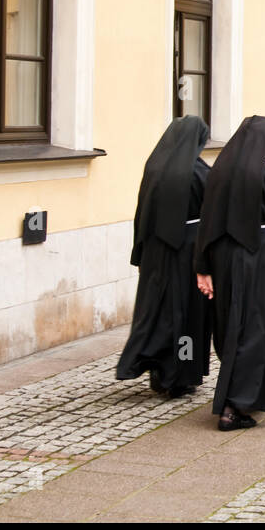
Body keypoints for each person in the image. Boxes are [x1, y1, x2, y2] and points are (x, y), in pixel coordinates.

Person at [194, 115, 265, 431]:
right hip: (260, 255)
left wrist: (202, 268)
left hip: (223, 257)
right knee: (256, 326)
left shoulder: (218, 175)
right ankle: (235, 405)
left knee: (230, 325)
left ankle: (235, 393)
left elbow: (206, 225)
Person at [116, 115, 212, 398]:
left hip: (155, 254)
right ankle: (179, 375)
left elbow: (140, 213)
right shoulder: (197, 172)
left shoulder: (154, 167)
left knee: (157, 312)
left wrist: (140, 253)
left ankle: (158, 369)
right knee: (185, 315)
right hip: (187, 253)